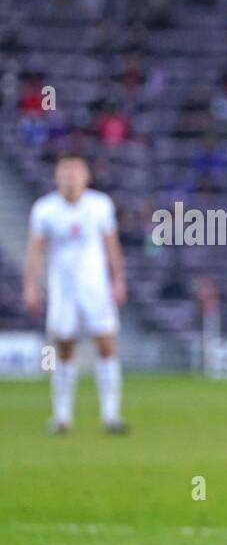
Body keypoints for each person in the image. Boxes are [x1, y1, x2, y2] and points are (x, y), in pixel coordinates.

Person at [23, 154, 128, 435]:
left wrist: (118, 279)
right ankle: (62, 417)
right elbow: (35, 249)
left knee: (105, 344)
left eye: (75, 171)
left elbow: (111, 245)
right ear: (57, 176)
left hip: (95, 288)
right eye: (65, 171)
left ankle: (111, 415)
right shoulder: (45, 209)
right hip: (63, 291)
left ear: (86, 176)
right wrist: (30, 285)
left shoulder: (99, 205)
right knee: (64, 348)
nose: (70, 176)